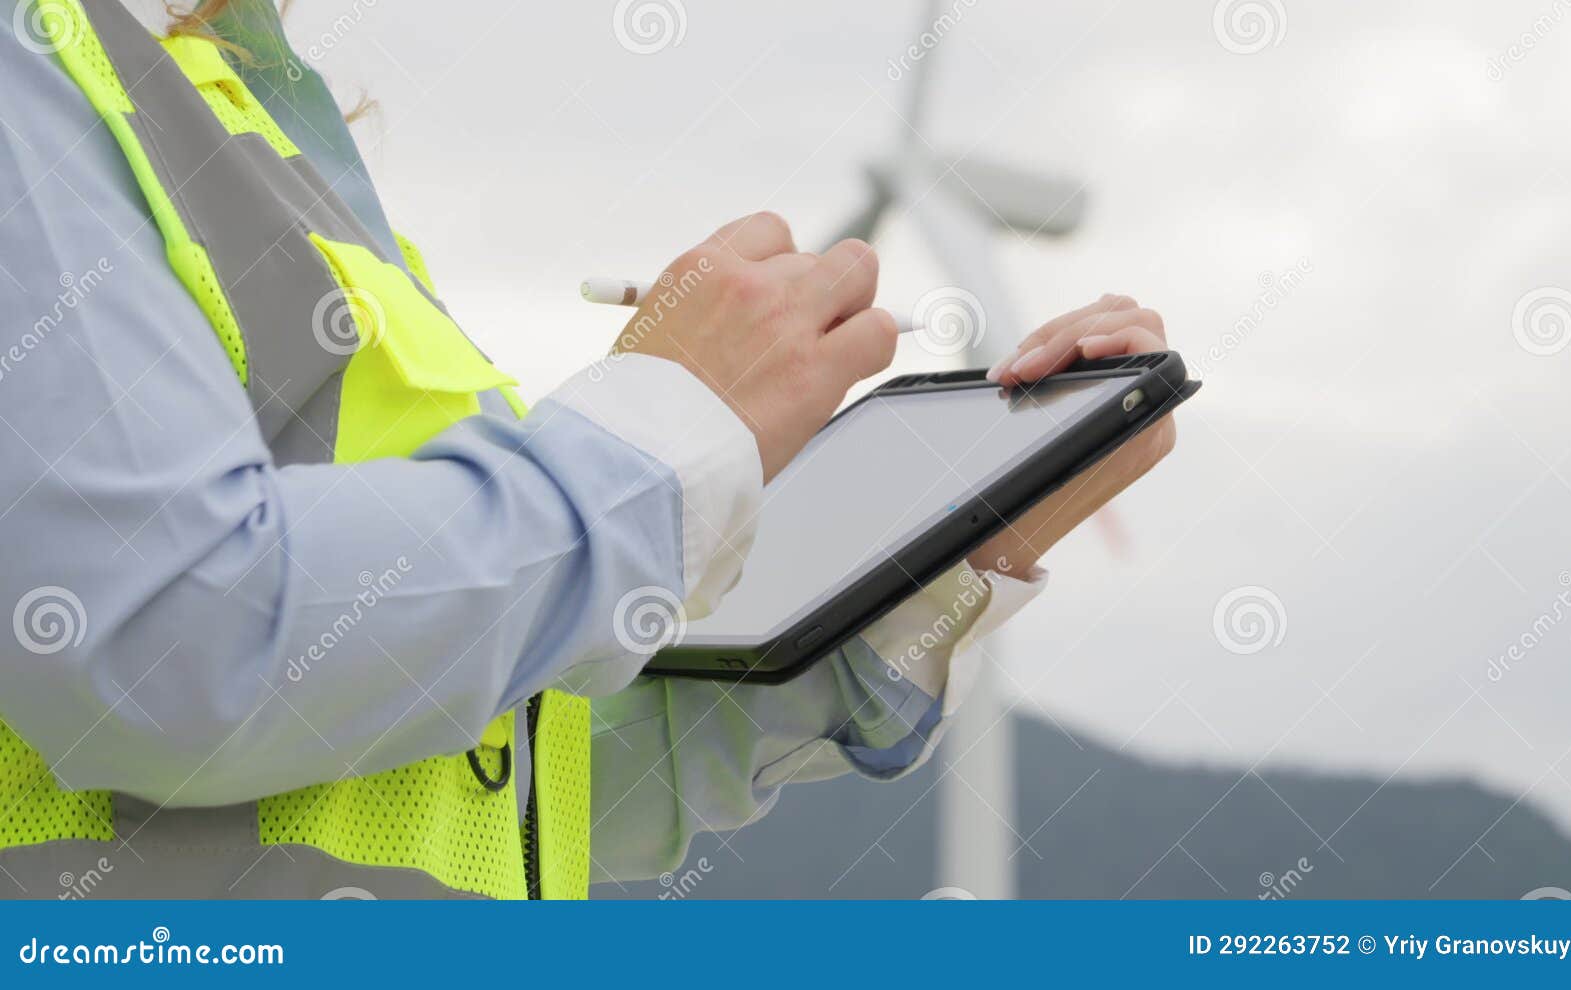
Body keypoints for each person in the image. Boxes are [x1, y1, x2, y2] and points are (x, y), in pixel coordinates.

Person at [0, 0, 1177, 899]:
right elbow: (165, 651)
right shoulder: (36, 64)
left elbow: (520, 768)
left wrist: (957, 552)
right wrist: (665, 423)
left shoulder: (238, 114)